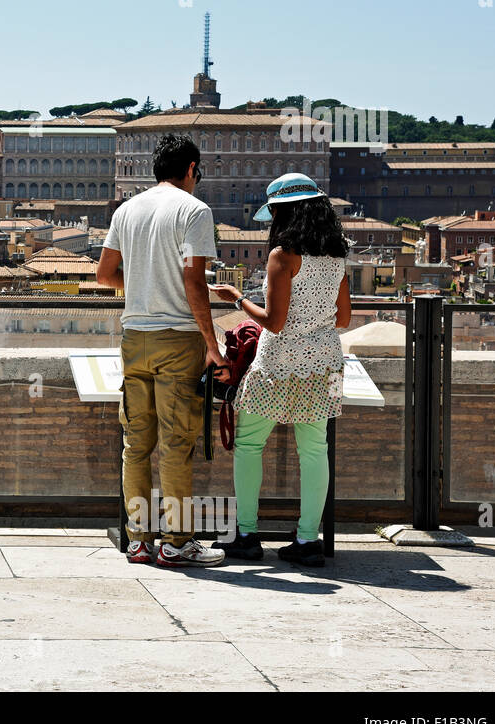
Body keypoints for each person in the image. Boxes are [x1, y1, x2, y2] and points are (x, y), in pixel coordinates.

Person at [96, 134, 229, 568]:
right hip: (178, 339)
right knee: (177, 443)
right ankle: (176, 543)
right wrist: (213, 345)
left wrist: (143, 288)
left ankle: (138, 541)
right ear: (192, 168)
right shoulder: (195, 211)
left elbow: (104, 275)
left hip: (134, 337)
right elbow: (193, 281)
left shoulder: (127, 209)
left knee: (135, 444)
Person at [210, 173, 351, 568]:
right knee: (314, 450)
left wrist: (238, 298)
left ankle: (247, 535)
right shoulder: (337, 255)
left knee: (250, 444)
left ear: (281, 212)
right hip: (324, 362)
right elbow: (344, 318)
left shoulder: (282, 255)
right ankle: (308, 541)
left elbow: (272, 321)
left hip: (278, 362)